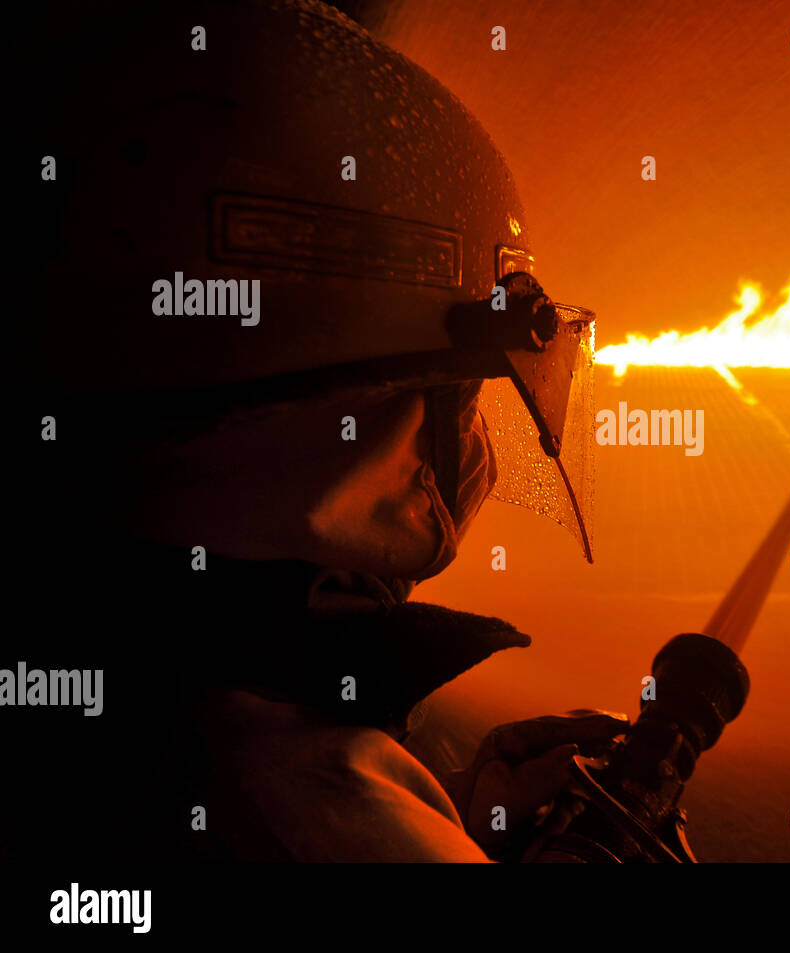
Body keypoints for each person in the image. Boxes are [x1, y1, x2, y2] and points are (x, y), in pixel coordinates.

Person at [9, 0, 618, 862]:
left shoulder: (114, 660)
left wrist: (468, 822)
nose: (476, 442)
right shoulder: (299, 801)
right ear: (370, 425)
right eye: (458, 398)